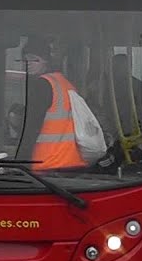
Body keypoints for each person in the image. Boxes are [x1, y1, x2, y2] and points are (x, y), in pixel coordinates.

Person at [14, 36, 88, 170]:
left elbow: (30, 127)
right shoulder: (65, 83)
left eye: (34, 59)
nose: (28, 63)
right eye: (25, 59)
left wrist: (19, 162)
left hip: (46, 163)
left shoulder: (41, 85)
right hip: (70, 160)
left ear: (46, 61)